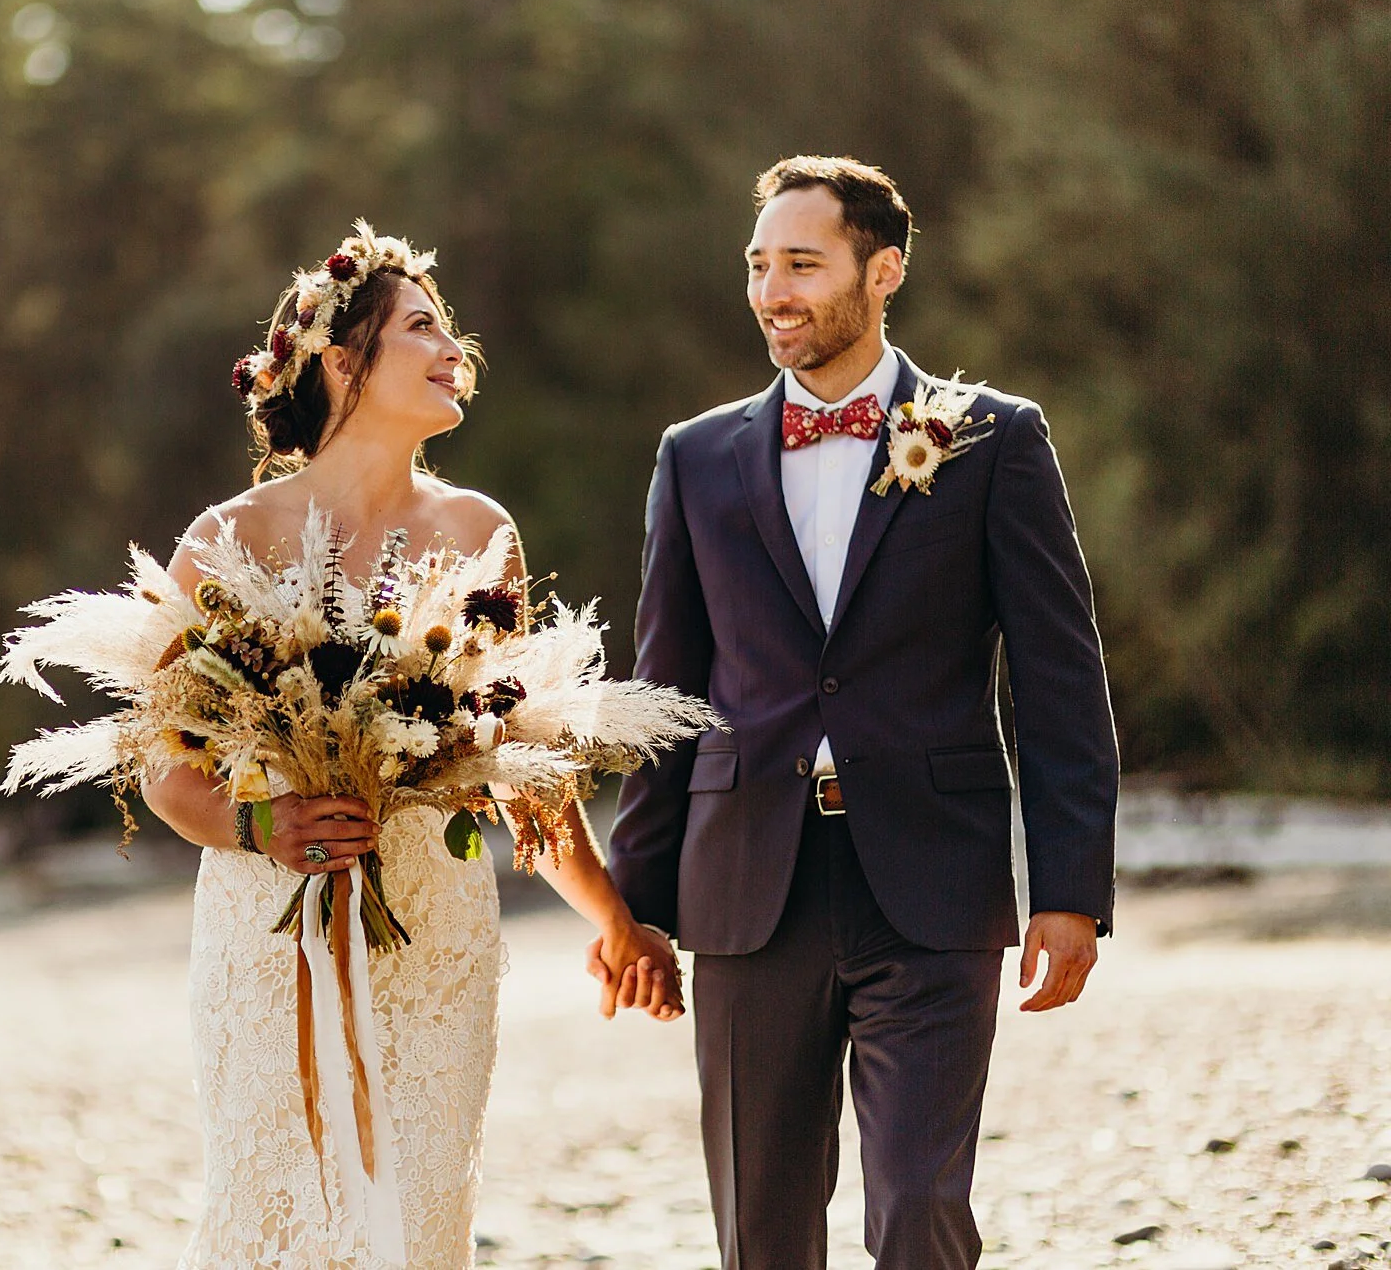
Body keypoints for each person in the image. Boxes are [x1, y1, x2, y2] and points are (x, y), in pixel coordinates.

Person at [596, 157, 1119, 1268]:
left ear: (881, 271)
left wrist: (1068, 890)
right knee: (760, 1227)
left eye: (800, 263)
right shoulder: (695, 458)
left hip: (931, 881)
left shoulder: (992, 438)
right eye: (756, 265)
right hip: (745, 888)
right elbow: (664, 692)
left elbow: (1058, 676)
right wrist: (634, 904)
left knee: (920, 1209)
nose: (770, 291)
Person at [140, 223, 681, 1270]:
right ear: (341, 361)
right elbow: (168, 772)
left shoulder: (481, 530)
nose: (454, 351)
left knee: (422, 1219)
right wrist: (261, 820)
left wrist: (616, 921)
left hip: (434, 923)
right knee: (274, 1211)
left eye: (452, 332)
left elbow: (525, 767)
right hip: (271, 927)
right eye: (423, 327)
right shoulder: (224, 540)